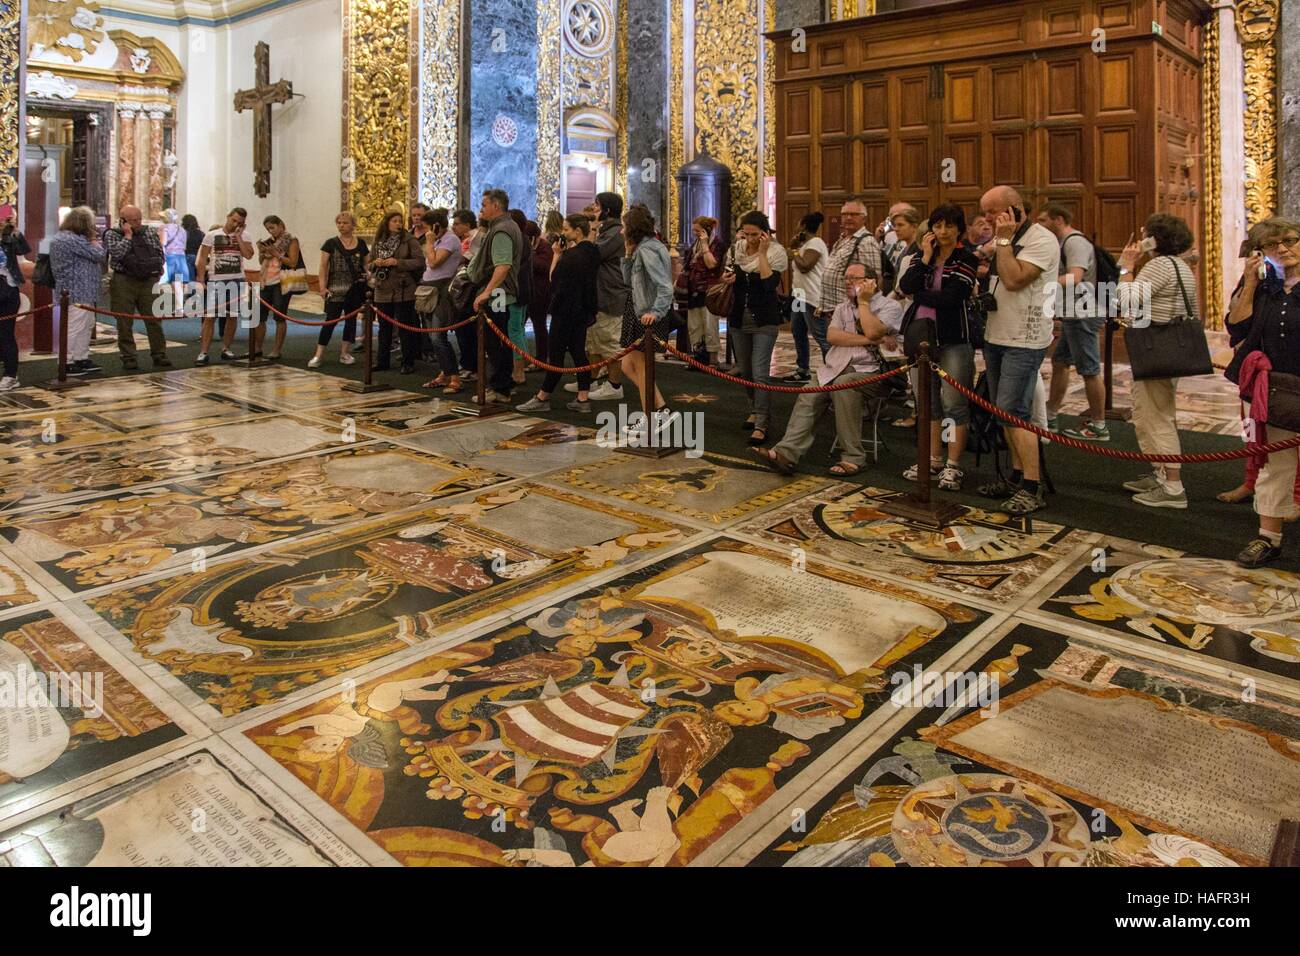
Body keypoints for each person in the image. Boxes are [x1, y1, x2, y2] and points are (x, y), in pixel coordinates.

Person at [755, 263, 903, 476]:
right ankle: (786, 453)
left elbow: (872, 328)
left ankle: (854, 457)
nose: (848, 282)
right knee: (810, 393)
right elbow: (833, 336)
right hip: (835, 368)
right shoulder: (842, 308)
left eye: (855, 278)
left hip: (873, 372)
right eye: (846, 278)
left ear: (872, 281)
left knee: (844, 385)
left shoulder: (890, 306)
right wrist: (869, 339)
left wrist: (863, 302)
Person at [975, 185, 1060, 515]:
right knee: (1001, 411)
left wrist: (1004, 241)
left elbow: (1013, 280)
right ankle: (1016, 474)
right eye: (983, 212)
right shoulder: (1003, 238)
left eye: (991, 212)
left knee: (1014, 412)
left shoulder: (1041, 240)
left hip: (1024, 339)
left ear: (1014, 210)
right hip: (998, 334)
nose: (985, 219)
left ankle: (1032, 486)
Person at [1225, 216, 1300, 566]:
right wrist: (1252, 280)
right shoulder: (1265, 284)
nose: (1283, 249)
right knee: (1276, 464)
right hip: (1278, 388)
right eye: (1273, 244)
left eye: (1289, 240)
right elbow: (1238, 323)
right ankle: (1268, 538)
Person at [1115, 213, 1199, 510]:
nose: (1140, 237)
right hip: (1167, 348)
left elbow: (1125, 300)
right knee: (1152, 411)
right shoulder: (1179, 264)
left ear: (1155, 238)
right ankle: (1159, 473)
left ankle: (1173, 486)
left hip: (1157, 350)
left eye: (1145, 233)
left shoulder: (1160, 265)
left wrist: (1126, 267)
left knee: (1156, 415)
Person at [897, 203, 980, 490]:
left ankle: (953, 465)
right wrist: (927, 257)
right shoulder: (923, 257)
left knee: (954, 404)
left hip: (953, 338)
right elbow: (906, 286)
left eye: (949, 226)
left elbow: (952, 299)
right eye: (937, 225)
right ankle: (932, 459)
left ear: (959, 229)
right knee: (927, 403)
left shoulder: (966, 259)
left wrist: (921, 294)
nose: (942, 231)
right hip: (920, 338)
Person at [516, 214, 601, 413]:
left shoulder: (572, 256)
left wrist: (556, 255)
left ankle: (542, 397)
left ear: (577, 231)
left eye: (566, 229)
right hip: (583, 310)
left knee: (556, 356)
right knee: (579, 353)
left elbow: (553, 279)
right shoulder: (593, 252)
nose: (563, 233)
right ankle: (582, 398)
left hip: (565, 310)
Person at [1038, 203, 1109, 440]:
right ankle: (1051, 413)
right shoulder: (1063, 242)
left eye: (1044, 220)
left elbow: (1075, 277)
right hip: (1074, 312)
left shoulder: (1074, 242)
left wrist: (1043, 284)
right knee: (1060, 361)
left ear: (1059, 219)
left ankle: (1099, 425)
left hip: (1083, 313)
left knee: (1089, 369)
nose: (1041, 225)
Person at [722, 211, 790, 446]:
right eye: (746, 234)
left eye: (755, 235)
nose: (750, 239)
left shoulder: (776, 253)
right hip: (739, 318)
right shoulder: (736, 250)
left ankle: (762, 422)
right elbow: (728, 275)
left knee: (760, 372)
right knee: (747, 371)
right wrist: (728, 279)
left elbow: (769, 283)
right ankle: (753, 409)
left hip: (765, 320)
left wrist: (761, 253)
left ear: (764, 233)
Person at [618, 203, 676, 434]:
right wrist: (628, 254)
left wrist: (656, 312)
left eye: (624, 227)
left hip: (647, 313)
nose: (621, 231)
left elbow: (664, 286)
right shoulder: (641, 248)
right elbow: (628, 280)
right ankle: (660, 410)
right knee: (627, 365)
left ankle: (651, 417)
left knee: (642, 367)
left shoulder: (649, 249)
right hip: (637, 309)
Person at [466, 188, 524, 403]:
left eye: (484, 205)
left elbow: (503, 265)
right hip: (500, 291)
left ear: (495, 206)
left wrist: (487, 291)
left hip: (499, 293)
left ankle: (499, 388)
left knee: (496, 341)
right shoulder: (506, 226)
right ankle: (503, 383)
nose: (481, 209)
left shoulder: (501, 230)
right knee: (499, 340)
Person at [816, 199, 883, 366]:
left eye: (853, 214)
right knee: (833, 355)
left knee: (847, 358)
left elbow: (873, 278)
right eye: (845, 214)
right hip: (833, 309)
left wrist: (859, 306)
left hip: (850, 312)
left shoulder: (865, 241)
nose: (848, 218)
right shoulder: (844, 239)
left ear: (864, 218)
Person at [104, 203, 171, 370]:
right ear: (123, 221)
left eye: (139, 219)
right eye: (133, 220)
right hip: (124, 280)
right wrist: (127, 236)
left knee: (154, 319)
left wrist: (157, 267)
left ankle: (159, 354)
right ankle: (128, 357)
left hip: (148, 280)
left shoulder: (148, 231)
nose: (138, 223)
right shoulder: (113, 234)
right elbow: (117, 254)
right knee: (124, 321)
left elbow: (159, 252)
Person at [579, 192, 629, 401]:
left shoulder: (616, 233)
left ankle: (614, 385)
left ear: (607, 210)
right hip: (599, 294)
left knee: (610, 342)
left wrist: (589, 230)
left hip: (611, 294)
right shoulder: (605, 231)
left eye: (597, 206)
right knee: (594, 341)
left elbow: (591, 254)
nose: (594, 209)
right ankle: (590, 381)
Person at [48, 205, 106, 377]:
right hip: (76, 290)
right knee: (74, 327)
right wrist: (94, 239)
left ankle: (81, 357)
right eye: (91, 224)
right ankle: (67, 361)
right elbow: (99, 255)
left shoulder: (66, 237)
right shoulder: (71, 239)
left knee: (86, 325)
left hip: (81, 289)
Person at [366, 209, 425, 374]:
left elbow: (420, 262)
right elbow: (369, 263)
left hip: (403, 288)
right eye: (394, 221)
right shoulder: (379, 241)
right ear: (387, 223)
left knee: (404, 326)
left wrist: (397, 262)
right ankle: (382, 361)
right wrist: (375, 263)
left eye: (400, 221)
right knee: (384, 327)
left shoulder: (409, 240)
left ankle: (408, 361)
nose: (398, 224)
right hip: (382, 288)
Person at [311, 211, 368, 368]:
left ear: (353, 225)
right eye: (339, 223)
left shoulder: (361, 243)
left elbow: (366, 265)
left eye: (345, 223)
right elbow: (323, 266)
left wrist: (369, 276)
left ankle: (344, 353)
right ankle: (318, 354)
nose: (342, 226)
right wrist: (322, 287)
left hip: (354, 288)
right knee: (330, 321)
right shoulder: (330, 243)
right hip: (335, 287)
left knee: (351, 322)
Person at [418, 208, 464, 394]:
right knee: (432, 336)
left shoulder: (450, 239)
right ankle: (444, 373)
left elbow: (434, 262)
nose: (426, 231)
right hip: (428, 289)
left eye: (428, 227)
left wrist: (429, 242)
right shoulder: (436, 240)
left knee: (438, 337)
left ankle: (455, 377)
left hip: (442, 291)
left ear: (436, 226)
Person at [783, 213, 828, 384]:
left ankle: (833, 371)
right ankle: (802, 369)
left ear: (802, 225)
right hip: (799, 295)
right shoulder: (806, 244)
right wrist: (795, 247)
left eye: (798, 223)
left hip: (812, 296)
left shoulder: (816, 243)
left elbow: (805, 266)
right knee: (797, 331)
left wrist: (793, 251)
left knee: (820, 335)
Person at [679, 215, 725, 369]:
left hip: (710, 289)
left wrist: (705, 245)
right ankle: (699, 358)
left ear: (706, 230)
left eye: (697, 231)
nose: (695, 234)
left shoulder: (717, 244)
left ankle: (713, 361)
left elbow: (712, 264)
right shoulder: (695, 244)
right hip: (694, 290)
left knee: (710, 325)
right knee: (695, 325)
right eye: (693, 231)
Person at [254, 215, 301, 361]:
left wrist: (276, 254)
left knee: (279, 316)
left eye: (272, 227)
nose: (271, 231)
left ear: (281, 225)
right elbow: (261, 261)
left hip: (281, 282)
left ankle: (276, 349)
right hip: (265, 281)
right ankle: (257, 348)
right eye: (268, 229)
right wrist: (261, 251)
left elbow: (293, 262)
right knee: (259, 316)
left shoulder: (291, 240)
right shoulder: (269, 242)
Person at [0, 203, 31, 390]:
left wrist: (15, 231)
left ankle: (11, 375)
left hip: (7, 289)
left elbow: (23, 251)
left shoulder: (10, 237)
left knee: (6, 334)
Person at [450, 209, 479, 379]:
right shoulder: (466, 239)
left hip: (469, 288)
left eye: (456, 224)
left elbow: (469, 260)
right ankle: (468, 363)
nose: (454, 227)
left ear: (467, 225)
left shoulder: (474, 239)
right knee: (463, 329)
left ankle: (472, 365)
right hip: (464, 288)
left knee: (468, 329)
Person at [526, 218, 552, 367]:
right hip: (527, 291)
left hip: (540, 293)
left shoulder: (545, 247)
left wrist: (530, 253)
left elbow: (544, 266)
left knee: (539, 325)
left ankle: (542, 358)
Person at [161, 209, 190, 310]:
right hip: (181, 257)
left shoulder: (165, 228)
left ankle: (178, 307)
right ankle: (179, 306)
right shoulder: (182, 229)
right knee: (178, 283)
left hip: (170, 258)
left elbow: (163, 243)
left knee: (174, 283)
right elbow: (184, 246)